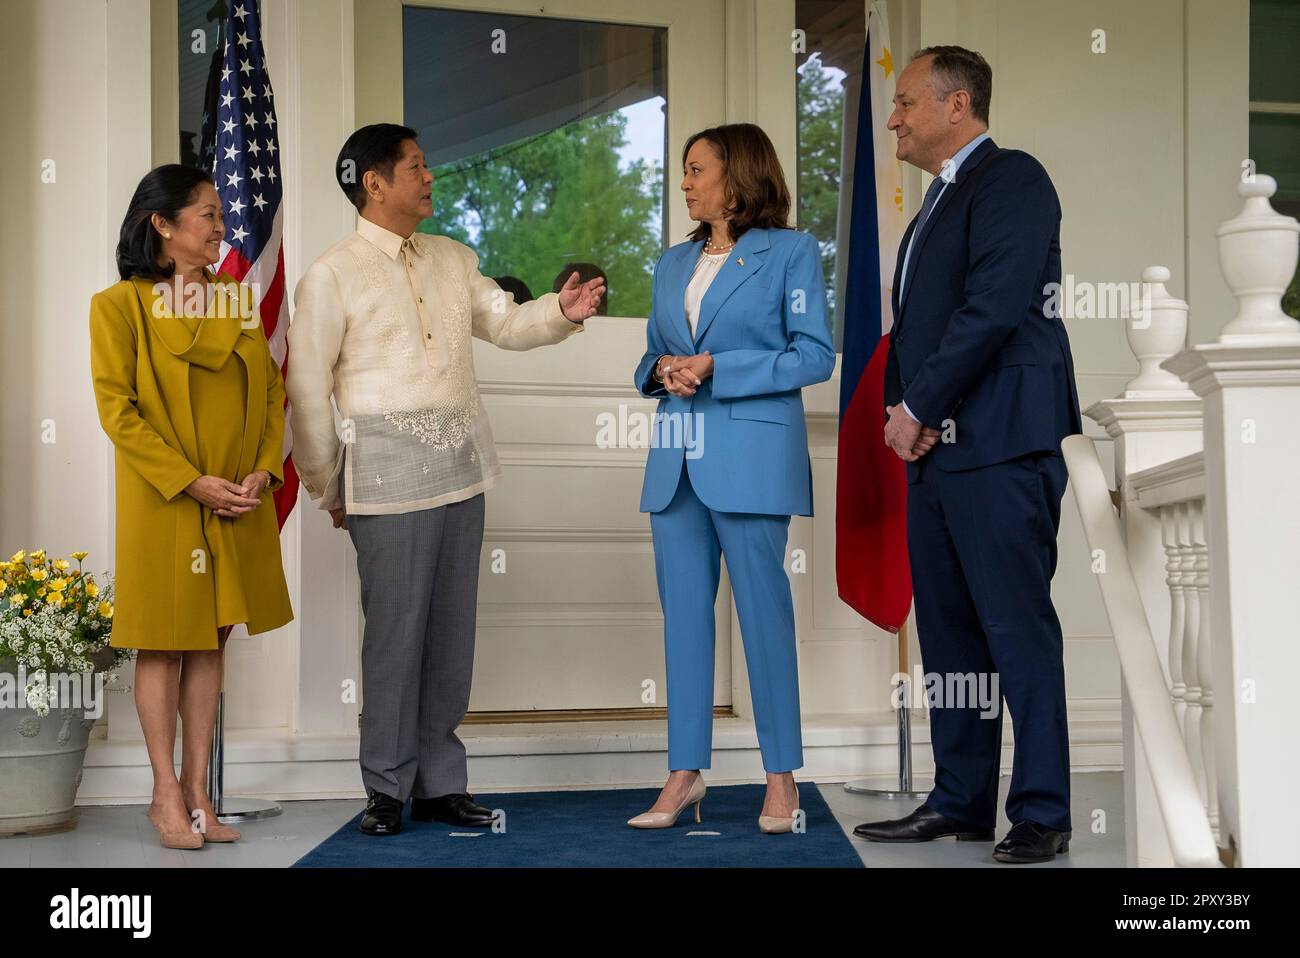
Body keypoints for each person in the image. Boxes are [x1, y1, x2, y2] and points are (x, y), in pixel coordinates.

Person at [287, 124, 604, 837]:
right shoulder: (330, 274)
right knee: (395, 635)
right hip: (381, 475)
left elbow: (507, 322)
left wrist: (561, 311)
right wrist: (326, 485)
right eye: (417, 167)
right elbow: (307, 389)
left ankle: (441, 784)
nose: (430, 177)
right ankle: (385, 789)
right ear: (374, 182)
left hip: (462, 470)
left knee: (450, 636)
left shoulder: (455, 259)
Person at [851, 46, 1082, 863]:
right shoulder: (933, 208)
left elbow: (991, 310)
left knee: (1016, 629)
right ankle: (959, 800)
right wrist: (904, 417)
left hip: (1001, 446)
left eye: (906, 102)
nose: (893, 119)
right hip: (938, 457)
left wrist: (916, 408)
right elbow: (919, 330)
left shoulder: (1013, 178)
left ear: (957, 106)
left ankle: (1044, 813)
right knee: (950, 636)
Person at [629, 123, 835, 833]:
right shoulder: (668, 264)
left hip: (751, 462)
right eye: (683, 171)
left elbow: (814, 357)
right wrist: (662, 372)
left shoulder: (792, 253)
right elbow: (652, 357)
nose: (684, 182)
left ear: (738, 175)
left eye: (696, 169)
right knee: (683, 623)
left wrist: (721, 367)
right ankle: (684, 774)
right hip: (675, 464)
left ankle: (783, 781)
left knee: (763, 621)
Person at [88, 164, 294, 849]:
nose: (221, 226)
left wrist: (264, 469)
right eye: (207, 214)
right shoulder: (118, 307)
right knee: (166, 640)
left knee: (211, 640)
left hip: (237, 498)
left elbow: (270, 394)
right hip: (167, 500)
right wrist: (189, 480)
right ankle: (163, 795)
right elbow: (119, 414)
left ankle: (201, 794)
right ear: (164, 226)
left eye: (219, 212)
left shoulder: (236, 299)